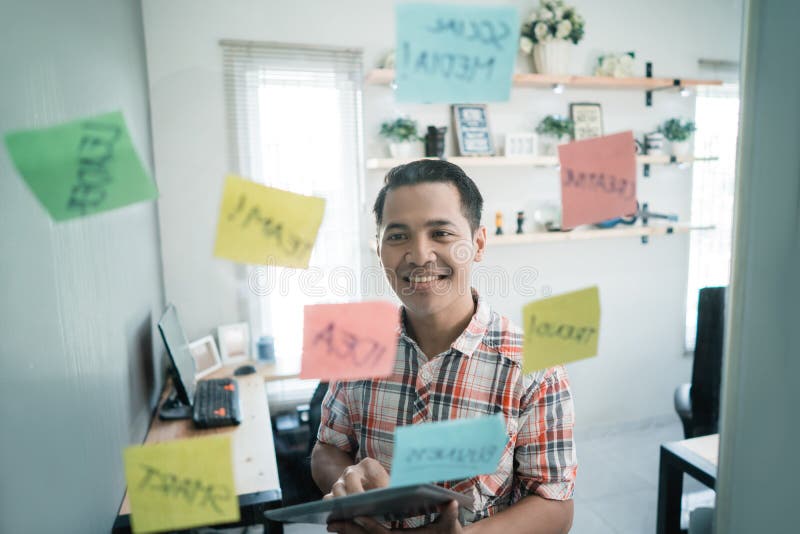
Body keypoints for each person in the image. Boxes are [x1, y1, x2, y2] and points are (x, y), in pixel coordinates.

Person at [311, 160, 577, 533]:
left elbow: (554, 503)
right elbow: (327, 447)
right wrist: (346, 480)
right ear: (379, 249)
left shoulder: (533, 366)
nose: (419, 255)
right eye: (398, 236)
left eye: (440, 233)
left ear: (478, 244)